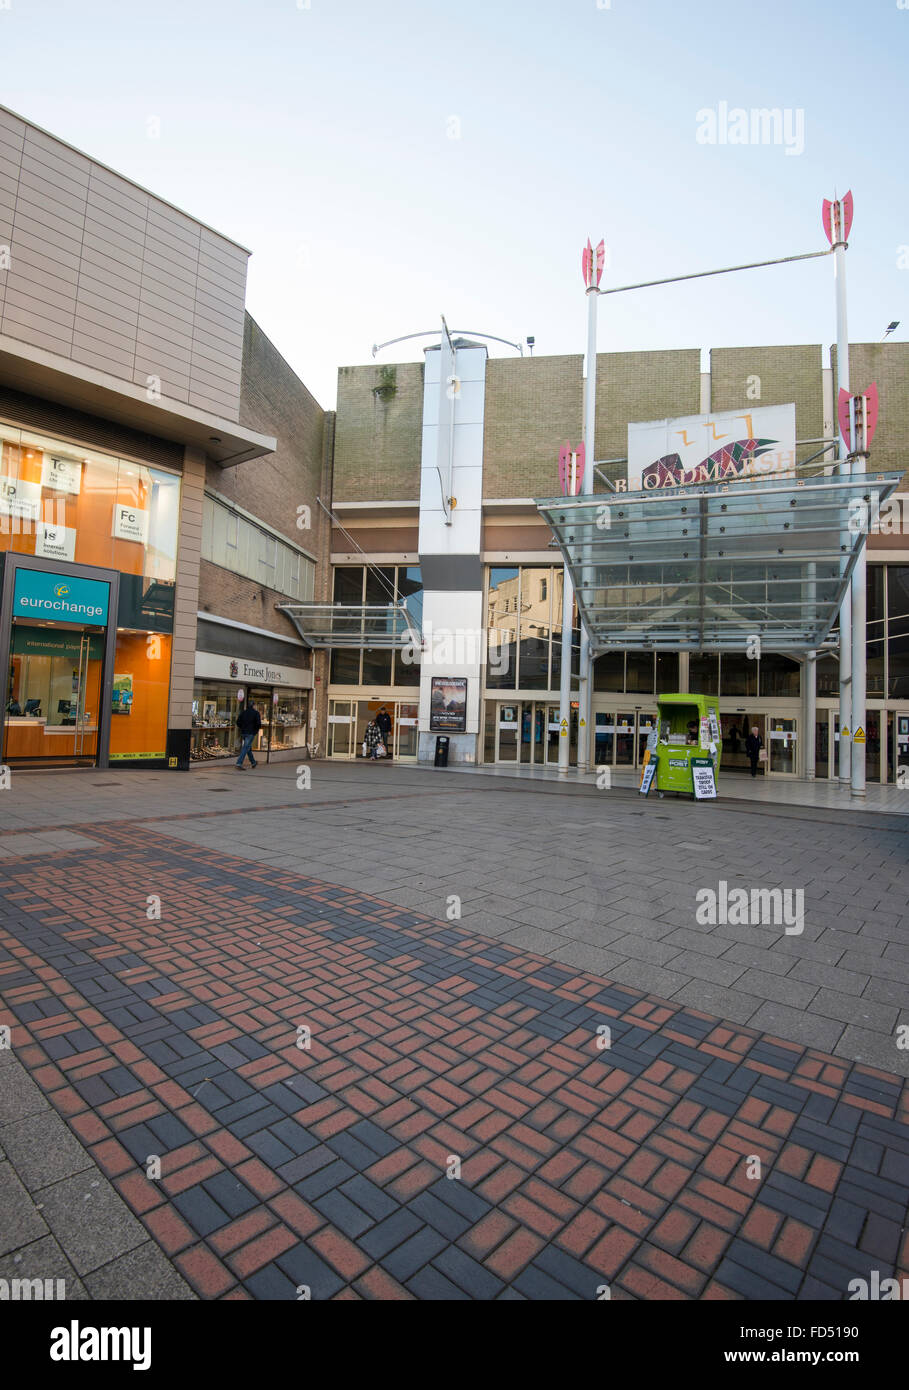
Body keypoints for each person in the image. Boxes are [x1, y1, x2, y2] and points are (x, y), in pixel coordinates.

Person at [235, 700, 261, 769]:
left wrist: (242, 727)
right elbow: (258, 724)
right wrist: (255, 731)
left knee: (248, 747)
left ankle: (253, 762)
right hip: (250, 733)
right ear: (253, 705)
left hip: (244, 732)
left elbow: (238, 722)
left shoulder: (243, 712)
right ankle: (239, 763)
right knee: (245, 747)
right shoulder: (256, 713)